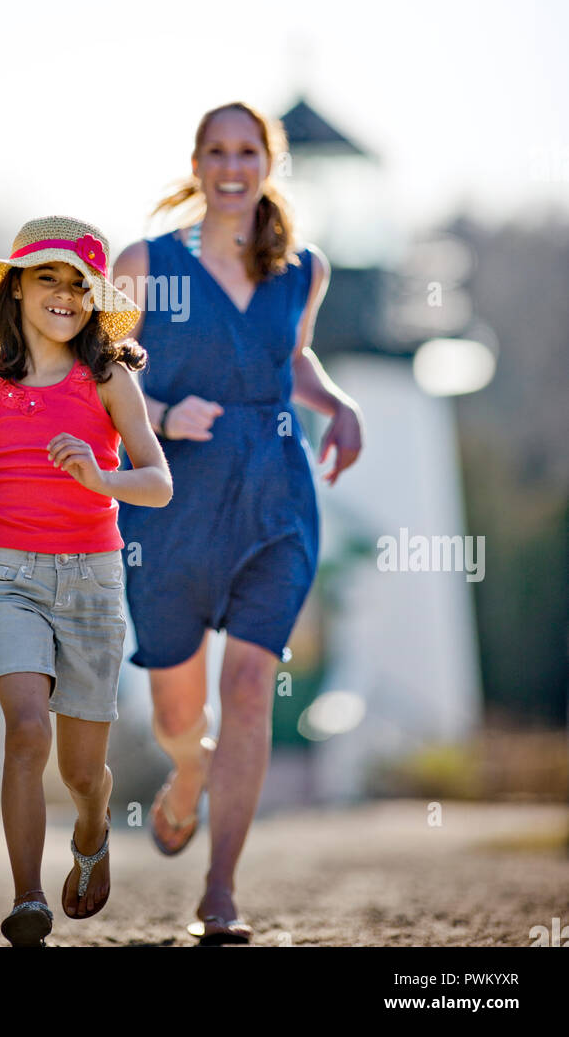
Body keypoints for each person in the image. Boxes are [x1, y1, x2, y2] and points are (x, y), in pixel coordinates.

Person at [113, 101, 364, 945]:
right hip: (170, 504)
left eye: (247, 151)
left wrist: (336, 401)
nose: (231, 166)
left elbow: (292, 356)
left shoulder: (305, 268)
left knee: (251, 684)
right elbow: (95, 379)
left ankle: (220, 891)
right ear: (196, 161)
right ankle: (188, 776)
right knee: (180, 718)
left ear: (269, 159)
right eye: (215, 151)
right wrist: (160, 408)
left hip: (275, 498)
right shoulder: (143, 262)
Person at [0, 215, 172, 947]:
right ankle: (28, 898)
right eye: (47, 278)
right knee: (25, 729)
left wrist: (102, 477)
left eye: (77, 283)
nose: (62, 294)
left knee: (84, 773)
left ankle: (92, 832)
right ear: (17, 288)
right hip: (10, 575)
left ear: (94, 300)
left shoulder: (109, 379)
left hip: (93, 580)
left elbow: (158, 482)